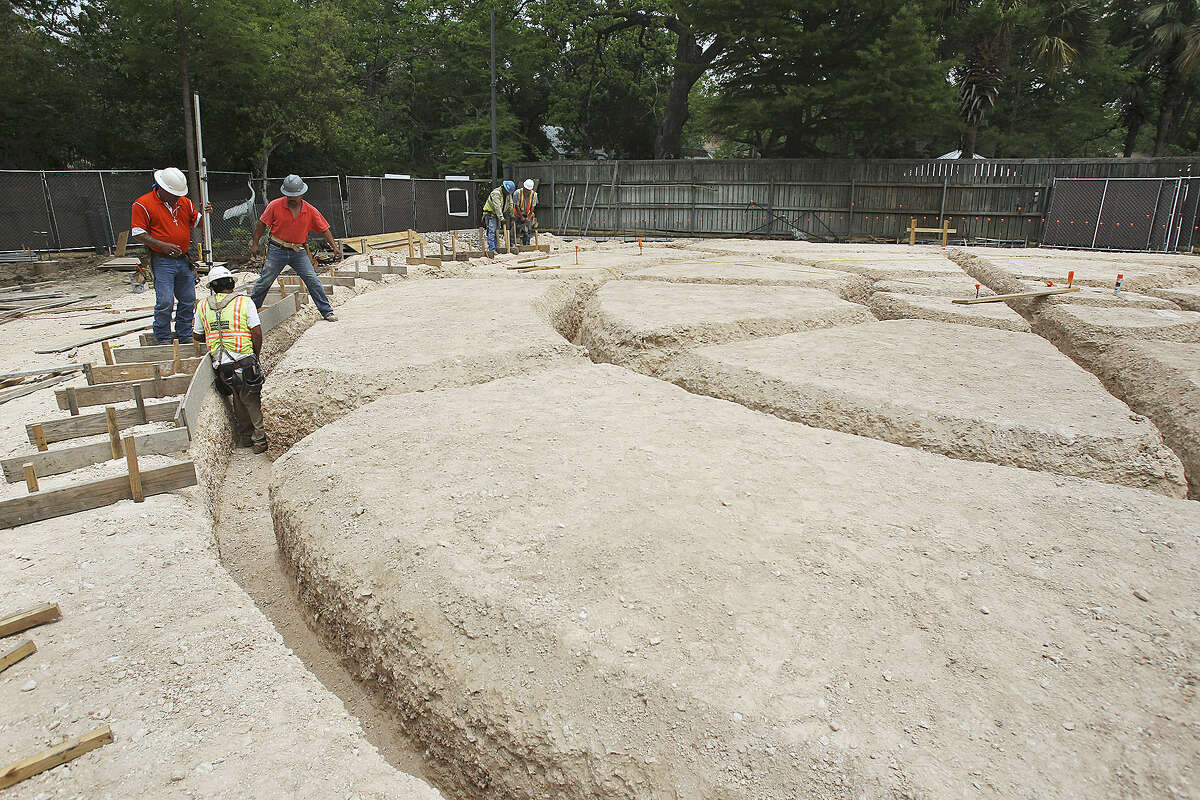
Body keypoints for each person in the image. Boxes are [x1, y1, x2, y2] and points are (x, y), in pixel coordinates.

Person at [130, 167, 211, 344]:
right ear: (162, 188)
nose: (177, 198)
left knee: (188, 299)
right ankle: (163, 338)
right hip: (162, 259)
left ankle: (184, 335)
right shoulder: (143, 204)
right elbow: (138, 233)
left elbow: (199, 223)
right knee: (165, 301)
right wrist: (162, 245)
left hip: (183, 258)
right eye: (174, 194)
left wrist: (206, 214)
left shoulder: (184, 203)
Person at [193, 266, 268, 453]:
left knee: (238, 399)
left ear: (212, 287)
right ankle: (260, 441)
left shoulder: (202, 306)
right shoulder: (244, 302)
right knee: (252, 400)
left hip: (222, 365)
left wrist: (216, 333)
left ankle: (245, 438)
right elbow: (256, 332)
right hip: (244, 360)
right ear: (232, 284)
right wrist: (256, 356)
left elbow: (197, 335)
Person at [248, 174, 342, 322]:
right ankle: (250, 313)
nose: (291, 198)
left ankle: (326, 311)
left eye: (294, 195)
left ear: (302, 193)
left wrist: (335, 247)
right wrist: (255, 244)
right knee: (265, 281)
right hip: (277, 249)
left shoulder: (310, 210)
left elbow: (324, 229)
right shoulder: (274, 205)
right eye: (289, 195)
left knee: (312, 280)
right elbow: (261, 224)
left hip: (298, 251)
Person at [482, 180, 515, 255]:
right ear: (504, 188)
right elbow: (497, 207)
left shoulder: (508, 195)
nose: (508, 194)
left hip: (497, 215)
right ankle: (492, 249)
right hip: (491, 214)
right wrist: (502, 218)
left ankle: (496, 248)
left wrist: (512, 215)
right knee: (492, 231)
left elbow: (510, 204)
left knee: (497, 231)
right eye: (508, 192)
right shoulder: (496, 193)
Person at [513, 179, 538, 245]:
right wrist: (521, 217)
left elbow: (532, 207)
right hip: (518, 214)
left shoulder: (534, 195)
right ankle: (512, 243)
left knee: (528, 230)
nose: (527, 191)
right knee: (516, 229)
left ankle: (526, 244)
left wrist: (528, 218)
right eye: (526, 190)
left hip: (528, 214)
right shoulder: (517, 193)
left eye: (528, 190)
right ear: (524, 187)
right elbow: (516, 206)